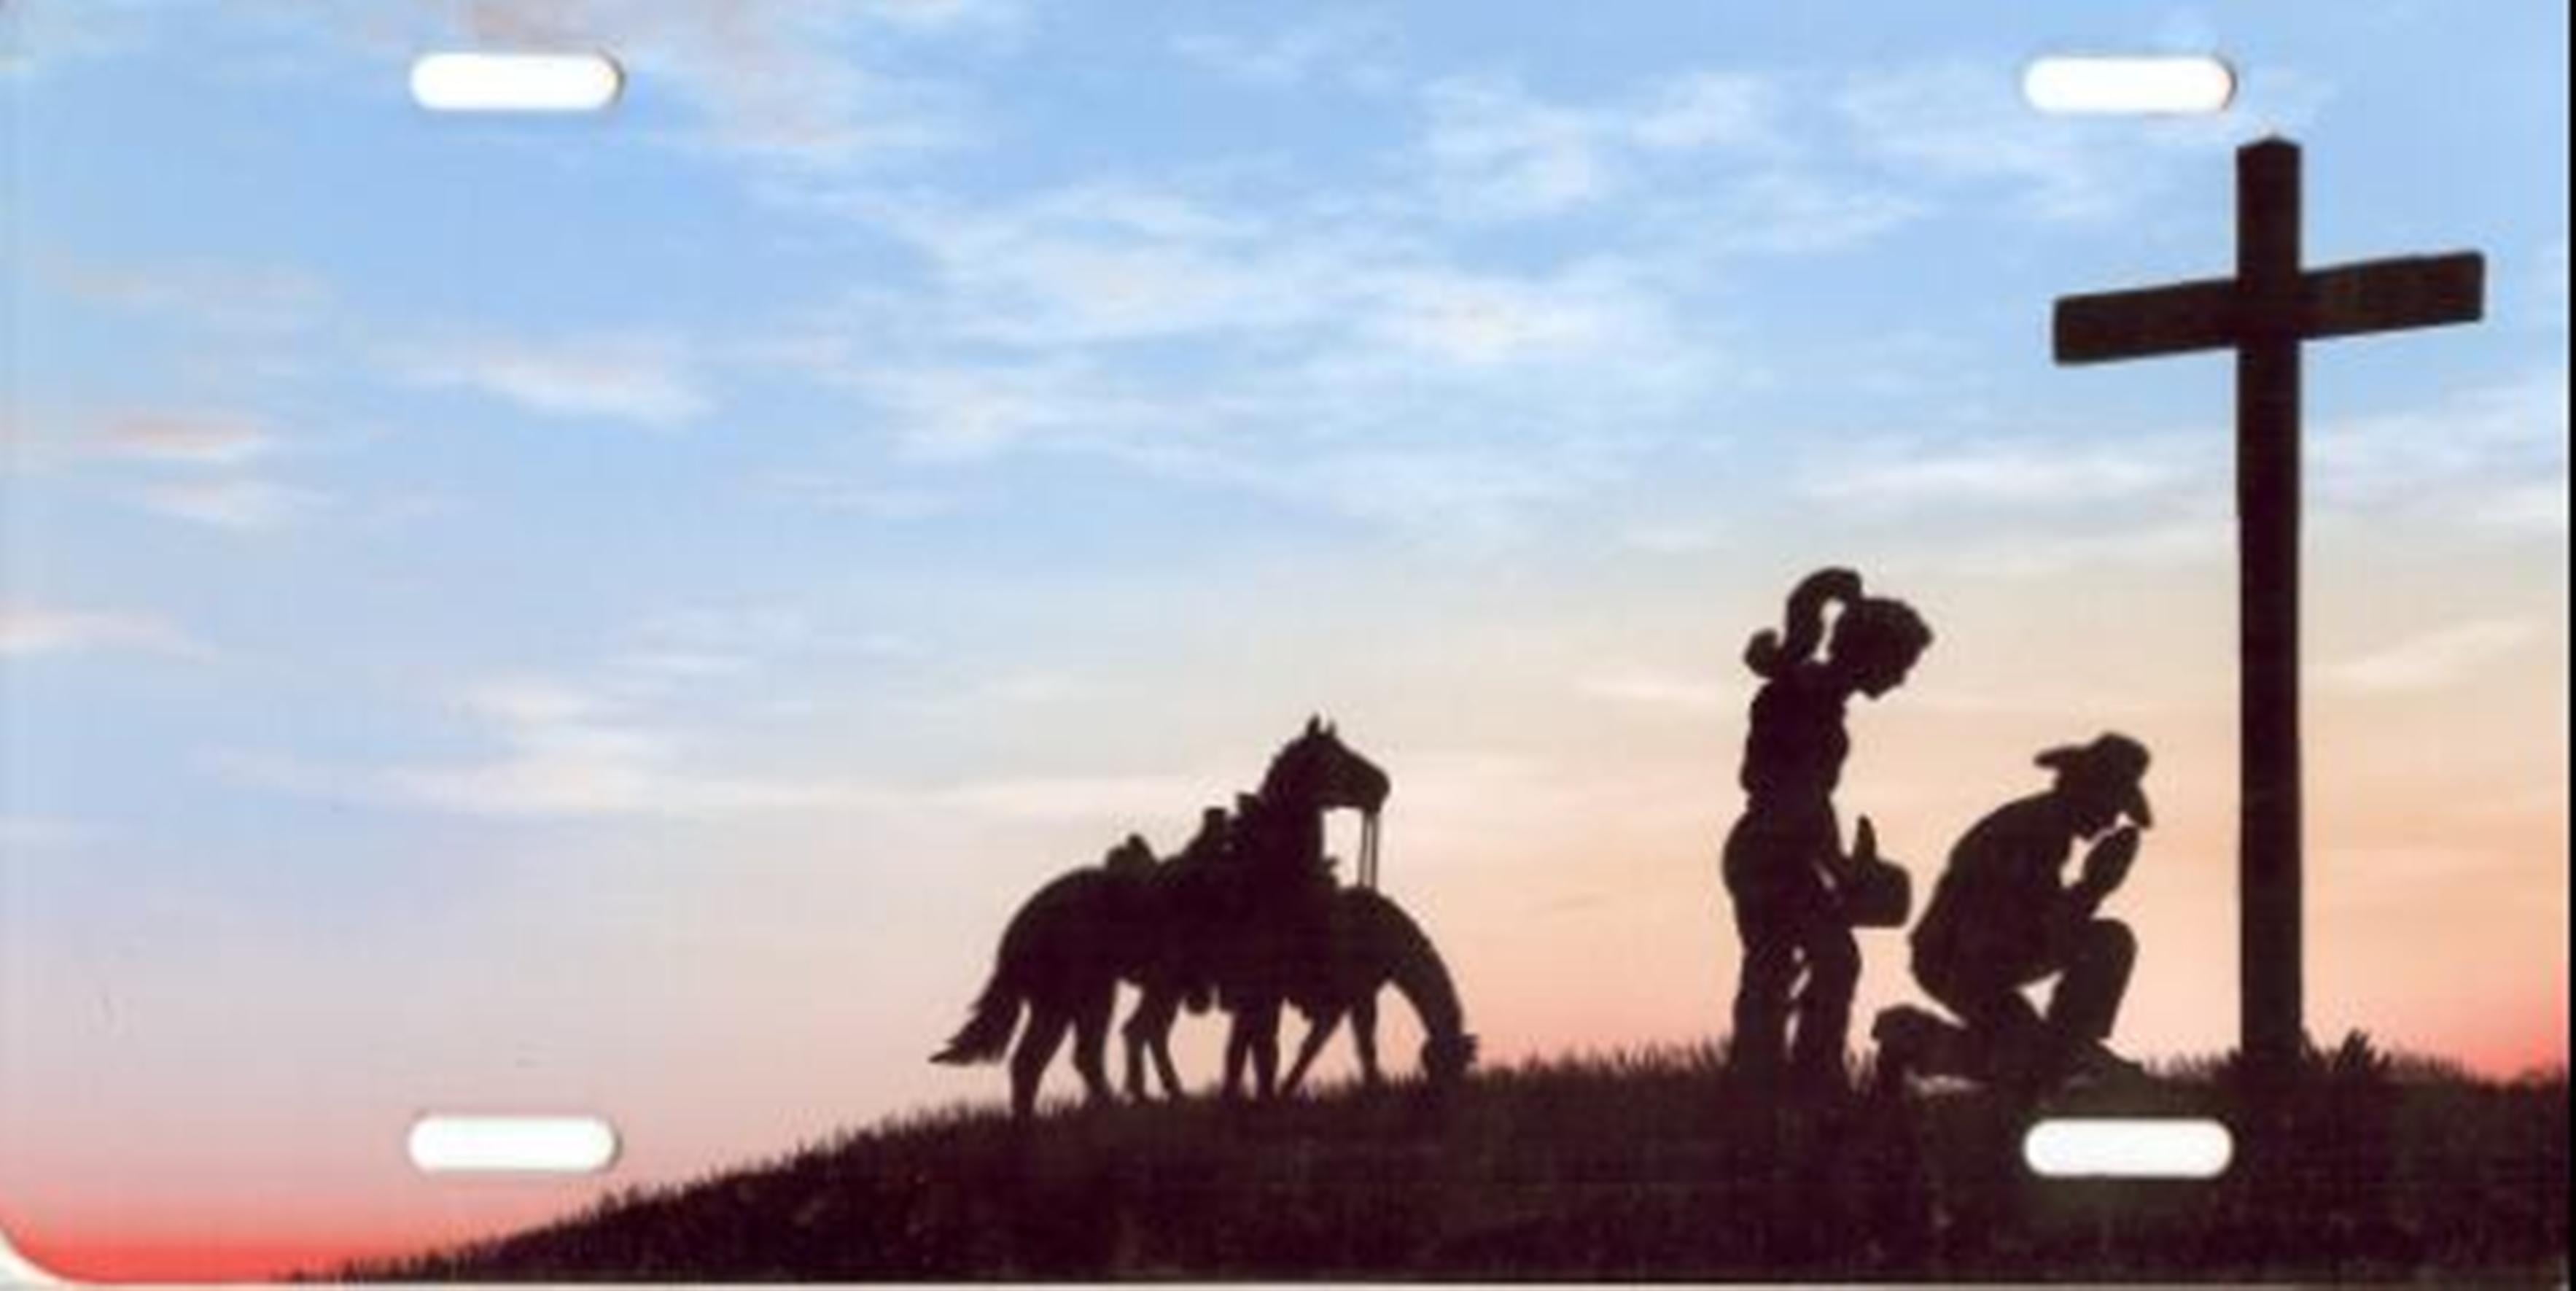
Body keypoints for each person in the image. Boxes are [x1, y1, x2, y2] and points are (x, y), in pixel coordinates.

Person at [1723, 567, 1933, 1091]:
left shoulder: (1818, 698)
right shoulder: (1803, 696)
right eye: (1899, 665)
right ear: (1871, 655)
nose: (1902, 678)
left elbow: (1810, 795)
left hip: (1775, 851)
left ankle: (1772, 1080)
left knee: (1780, 966)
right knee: (1820, 960)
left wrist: (1836, 858)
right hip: (1771, 853)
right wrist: (1833, 861)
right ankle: (1804, 1080)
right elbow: (1784, 788)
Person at [1880, 733, 2154, 1098]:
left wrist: (2092, 887)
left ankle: (2063, 1052)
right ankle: (1917, 1037)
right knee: (2036, 1059)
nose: (2110, 820)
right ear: (2086, 789)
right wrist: (2094, 885)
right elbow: (2027, 929)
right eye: (2111, 805)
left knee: (2039, 1055)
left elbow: (2041, 926)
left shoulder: (2043, 829)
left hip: (1982, 958)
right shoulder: (2029, 833)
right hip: (1962, 960)